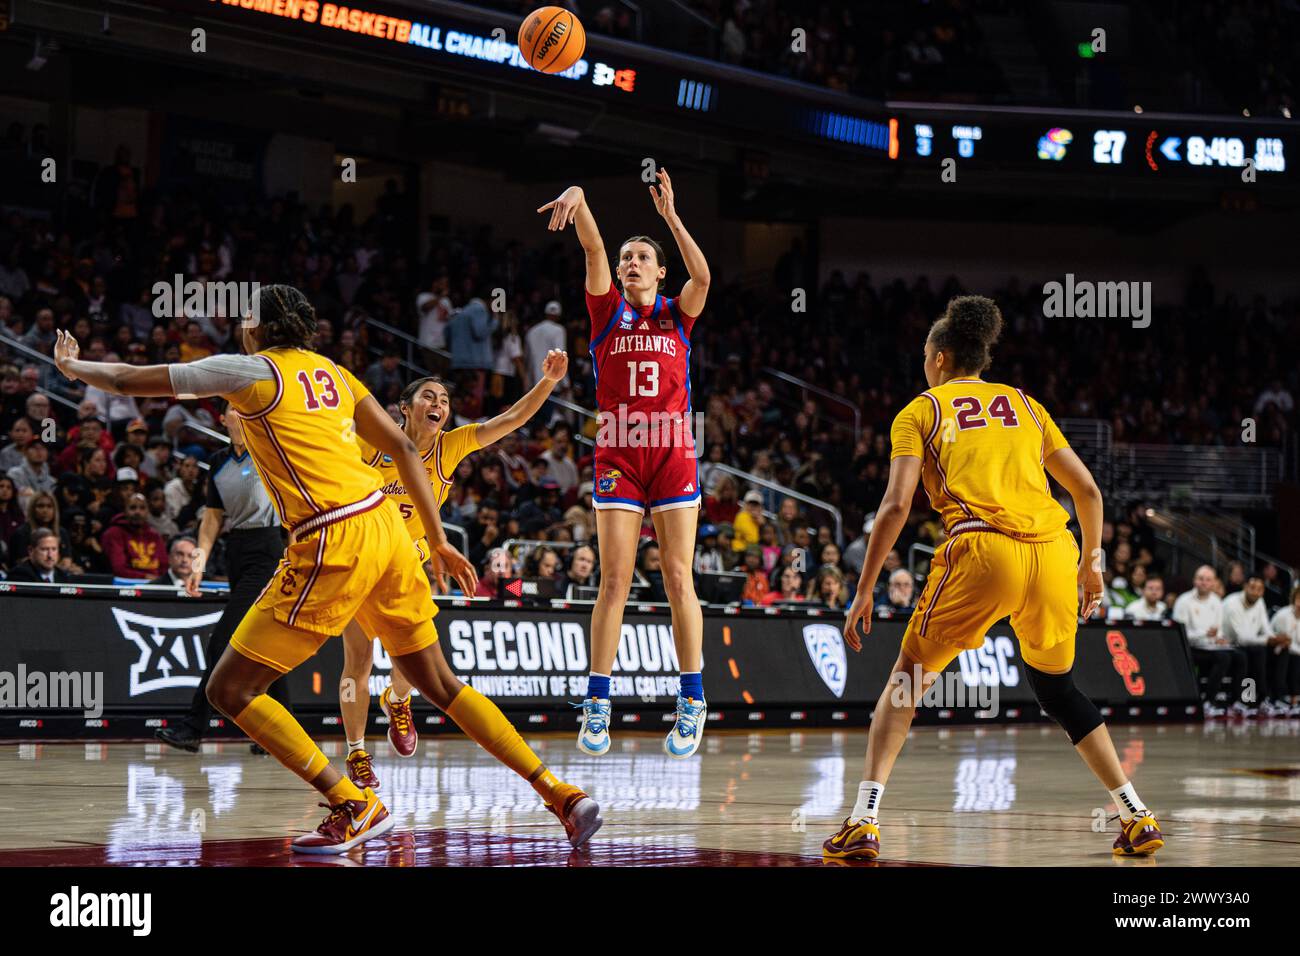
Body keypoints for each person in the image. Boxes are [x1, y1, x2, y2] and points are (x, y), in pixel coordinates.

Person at [53, 284, 601, 854]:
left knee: (230, 688)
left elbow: (124, 380)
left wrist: (71, 365)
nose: (242, 323)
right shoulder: (334, 372)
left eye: (247, 316)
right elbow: (408, 453)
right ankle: (559, 792)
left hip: (331, 536)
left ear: (261, 328)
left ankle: (353, 802)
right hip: (387, 529)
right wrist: (437, 540)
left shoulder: (249, 371)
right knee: (440, 684)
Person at [824, 295, 1163, 862]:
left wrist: (863, 589)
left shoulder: (922, 410)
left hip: (983, 550)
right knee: (1058, 691)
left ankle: (863, 819)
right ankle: (1136, 814)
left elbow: (894, 507)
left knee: (907, 681)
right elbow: (1088, 492)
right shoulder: (1026, 405)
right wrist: (1092, 563)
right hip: (1056, 552)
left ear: (939, 357)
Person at [539, 168, 712, 758]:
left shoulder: (677, 314)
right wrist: (581, 196)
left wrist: (670, 217)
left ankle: (691, 700)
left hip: (671, 451)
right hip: (618, 450)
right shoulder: (605, 309)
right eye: (626, 257)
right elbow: (589, 243)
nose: (630, 262)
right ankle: (597, 703)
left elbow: (704, 277)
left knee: (677, 578)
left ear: (659, 270)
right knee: (613, 580)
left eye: (642, 257)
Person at [339, 352, 570, 791]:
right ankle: (356, 752)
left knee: (411, 656)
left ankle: (399, 701)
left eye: (444, 400)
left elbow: (510, 420)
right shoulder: (372, 442)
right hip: (362, 559)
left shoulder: (452, 445)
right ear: (405, 408)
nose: (439, 405)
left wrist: (548, 383)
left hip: (408, 562)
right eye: (429, 396)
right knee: (359, 660)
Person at [156, 405, 295, 753]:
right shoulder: (217, 463)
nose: (243, 413)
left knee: (222, 643)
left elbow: (293, 509)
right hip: (237, 549)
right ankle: (281, 731)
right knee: (264, 643)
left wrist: (295, 556)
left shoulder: (270, 451)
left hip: (268, 548)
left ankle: (193, 727)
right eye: (236, 409)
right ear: (223, 419)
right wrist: (199, 562)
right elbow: (212, 520)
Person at [1173, 564, 1245, 717]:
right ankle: (1209, 701)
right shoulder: (1184, 601)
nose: (1204, 582)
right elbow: (1180, 633)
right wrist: (1205, 634)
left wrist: (1219, 639)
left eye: (1208, 580)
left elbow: (1217, 630)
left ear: (1213, 583)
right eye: (1201, 579)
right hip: (1189, 648)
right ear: (1194, 581)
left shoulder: (1217, 601)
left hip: (1211, 647)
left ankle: (1237, 701)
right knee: (1223, 658)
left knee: (1241, 656)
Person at [1222, 574, 1282, 715]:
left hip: (1251, 645)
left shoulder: (1260, 602)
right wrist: (1267, 640)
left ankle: (1275, 698)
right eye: (1252, 588)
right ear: (1245, 587)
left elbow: (1266, 629)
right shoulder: (1232, 603)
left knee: (1279, 651)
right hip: (1229, 644)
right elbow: (1241, 638)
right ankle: (1245, 699)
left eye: (1259, 589)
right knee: (1256, 652)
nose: (1255, 592)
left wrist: (1278, 640)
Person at [101, 492, 166, 579]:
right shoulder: (113, 533)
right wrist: (145, 577)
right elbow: (118, 569)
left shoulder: (154, 535)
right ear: (125, 511)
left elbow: (164, 566)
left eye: (142, 508)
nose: (137, 512)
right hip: (124, 586)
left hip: (155, 586)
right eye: (133, 508)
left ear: (148, 511)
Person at [4, 527, 80, 583]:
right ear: (31, 551)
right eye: (44, 549)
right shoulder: (19, 576)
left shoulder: (63, 576)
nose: (50, 555)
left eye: (54, 549)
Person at [1268, 585, 1300, 716]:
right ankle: (1288, 698)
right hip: (1274, 651)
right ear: (1294, 599)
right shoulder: (1284, 615)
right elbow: (1286, 642)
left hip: (1294, 652)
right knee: (1294, 657)